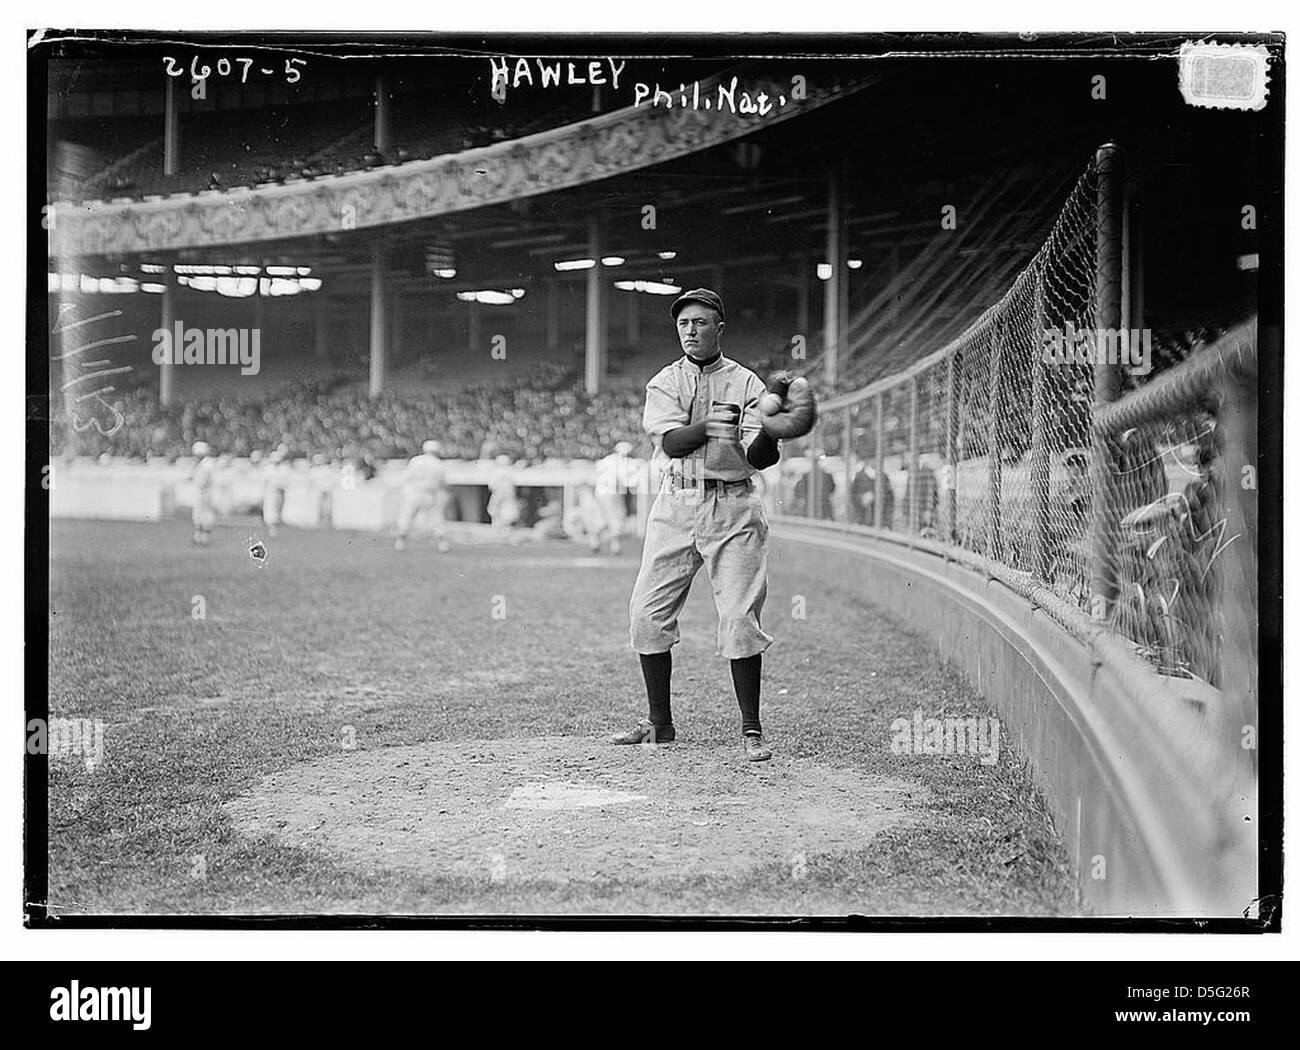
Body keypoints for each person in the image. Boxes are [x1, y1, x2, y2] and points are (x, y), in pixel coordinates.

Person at [614, 288, 783, 763]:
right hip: (678, 502)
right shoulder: (664, 381)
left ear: (719, 329)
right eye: (684, 323)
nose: (690, 330)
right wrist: (713, 424)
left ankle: (751, 730)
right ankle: (659, 724)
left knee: (739, 618)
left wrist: (771, 429)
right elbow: (672, 442)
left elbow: (759, 457)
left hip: (733, 506)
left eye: (701, 322)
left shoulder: (747, 383)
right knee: (646, 614)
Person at [395, 440, 451, 552]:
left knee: (407, 517)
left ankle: (400, 542)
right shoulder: (438, 464)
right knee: (436, 518)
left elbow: (407, 477)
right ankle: (442, 544)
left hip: (414, 492)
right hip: (429, 494)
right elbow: (443, 483)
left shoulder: (415, 461)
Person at [189, 441, 217, 546]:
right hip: (201, 491)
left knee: (204, 514)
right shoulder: (201, 463)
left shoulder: (207, 464)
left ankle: (204, 538)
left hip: (205, 491)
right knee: (198, 514)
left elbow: (203, 480)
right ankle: (198, 537)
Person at [262, 447, 292, 538]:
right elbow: (265, 481)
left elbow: (287, 481)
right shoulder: (268, 469)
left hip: (280, 492)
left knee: (279, 510)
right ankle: (272, 528)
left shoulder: (284, 469)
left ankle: (277, 528)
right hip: (271, 492)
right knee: (270, 510)